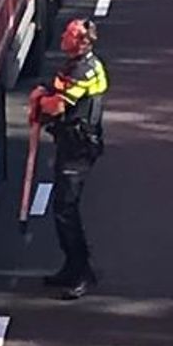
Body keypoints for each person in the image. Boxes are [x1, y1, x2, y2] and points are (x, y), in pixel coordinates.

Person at [29, 18, 109, 300]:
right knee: (64, 210)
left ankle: (81, 271)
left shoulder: (85, 70)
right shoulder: (74, 65)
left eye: (69, 33)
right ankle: (71, 267)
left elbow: (58, 104)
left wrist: (40, 102)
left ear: (81, 41)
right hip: (70, 144)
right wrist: (44, 93)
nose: (63, 35)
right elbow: (56, 92)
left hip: (79, 148)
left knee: (67, 210)